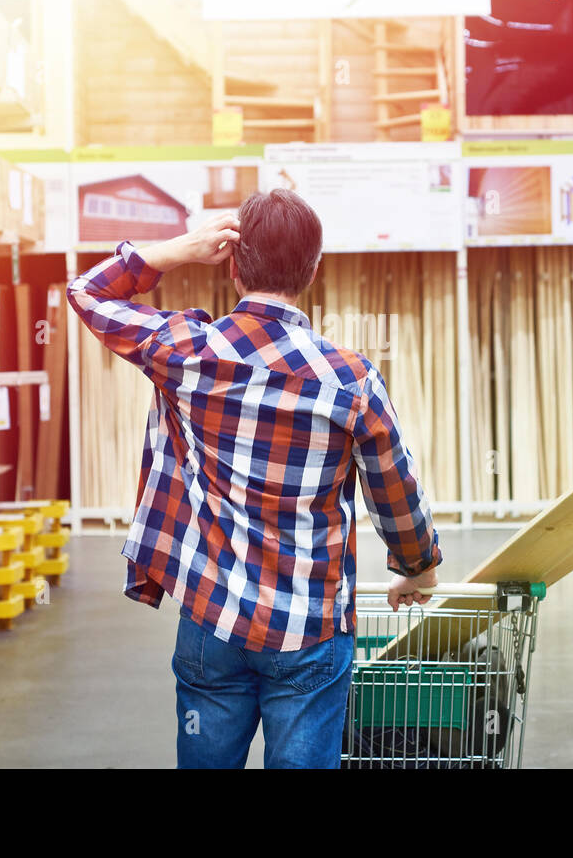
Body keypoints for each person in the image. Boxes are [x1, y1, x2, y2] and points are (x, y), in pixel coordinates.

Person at [67, 188, 442, 769]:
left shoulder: (187, 352)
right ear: (313, 271)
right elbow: (394, 488)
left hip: (211, 620)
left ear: (234, 265)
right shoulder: (352, 381)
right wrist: (418, 569)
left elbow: (87, 292)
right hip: (310, 627)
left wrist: (178, 251)